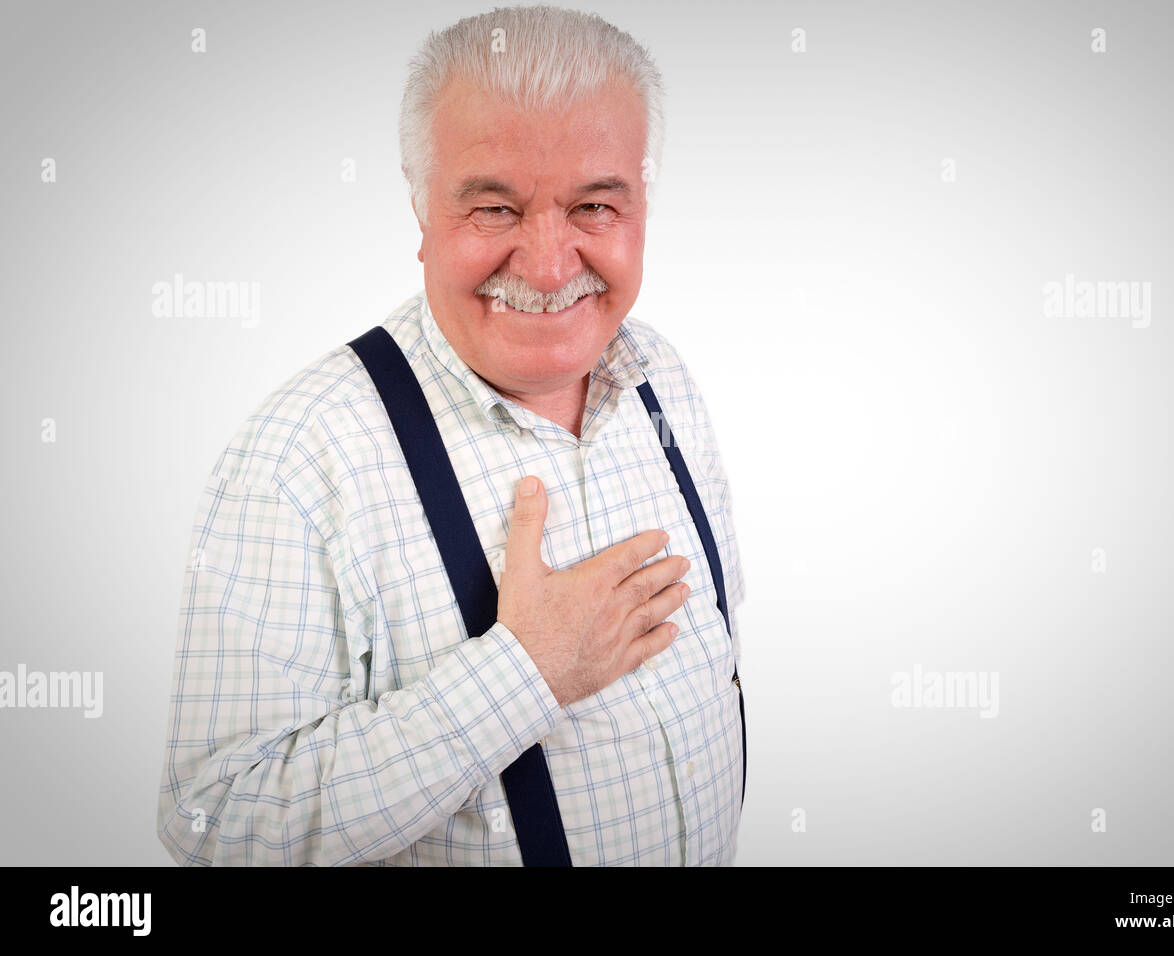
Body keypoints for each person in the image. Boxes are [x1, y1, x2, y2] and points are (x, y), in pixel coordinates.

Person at [156, 4, 746, 866]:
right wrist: (524, 674)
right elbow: (213, 820)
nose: (548, 266)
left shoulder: (663, 379)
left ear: (642, 204)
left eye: (592, 205)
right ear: (421, 206)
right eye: (496, 209)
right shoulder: (299, 460)